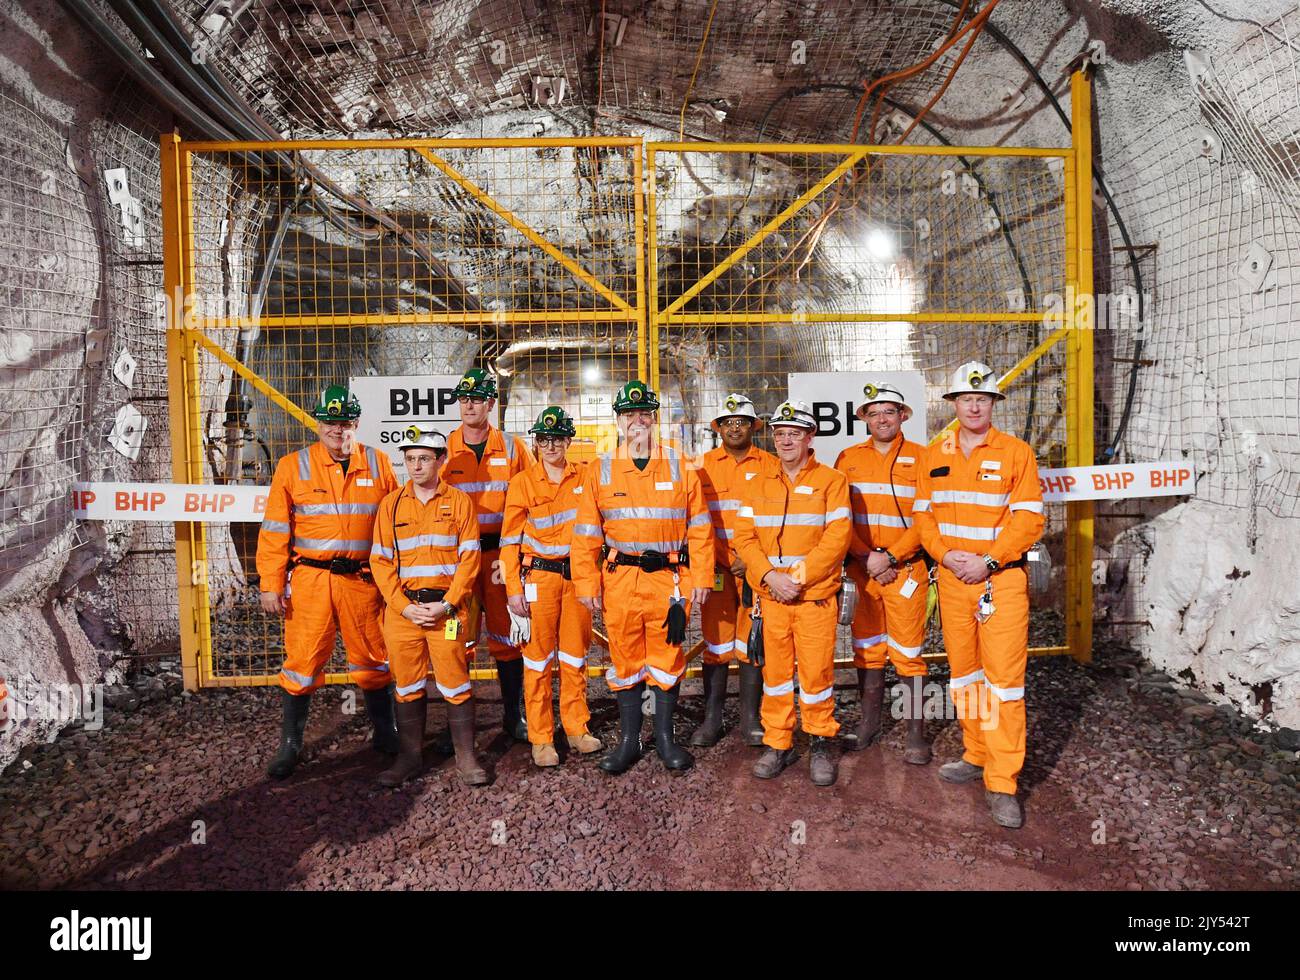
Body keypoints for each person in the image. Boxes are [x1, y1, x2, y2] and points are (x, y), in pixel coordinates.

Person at [912, 361, 1045, 829]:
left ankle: (1003, 781)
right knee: (965, 675)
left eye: (982, 399)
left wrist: (988, 560)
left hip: (999, 581)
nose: (973, 405)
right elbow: (923, 516)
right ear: (953, 404)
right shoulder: (933, 454)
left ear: (992, 405)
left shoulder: (1015, 453)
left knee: (1004, 681)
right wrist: (945, 556)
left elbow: (1029, 519)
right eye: (966, 399)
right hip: (952, 579)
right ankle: (976, 752)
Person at [256, 384, 400, 780]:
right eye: (331, 424)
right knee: (302, 662)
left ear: (356, 424)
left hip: (362, 581)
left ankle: (386, 732)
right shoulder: (292, 466)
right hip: (311, 581)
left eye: (346, 424)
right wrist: (270, 583)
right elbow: (274, 530)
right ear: (318, 424)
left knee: (374, 658)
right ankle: (290, 744)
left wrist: (395, 582)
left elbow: (394, 526)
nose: (338, 432)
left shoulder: (379, 463)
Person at [571, 380, 713, 774]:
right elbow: (585, 534)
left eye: (645, 414)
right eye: (629, 414)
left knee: (668, 656)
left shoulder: (679, 465)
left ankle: (666, 740)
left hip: (668, 580)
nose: (637, 421)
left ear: (654, 420)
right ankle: (629, 742)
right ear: (618, 421)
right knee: (625, 658)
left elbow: (700, 527)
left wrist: (701, 575)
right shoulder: (600, 468)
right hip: (620, 580)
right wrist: (586, 584)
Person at [732, 399, 851, 787]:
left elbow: (837, 539)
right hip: (772, 599)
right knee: (776, 675)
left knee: (816, 674)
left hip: (813, 597)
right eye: (780, 434)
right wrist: (769, 576)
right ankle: (778, 742)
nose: (785, 440)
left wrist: (795, 578)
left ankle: (819, 742)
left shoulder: (832, 481)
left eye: (794, 434)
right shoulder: (758, 484)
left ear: (809, 437)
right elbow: (744, 538)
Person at [369, 427, 488, 786]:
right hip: (404, 612)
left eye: (424, 458)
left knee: (456, 684)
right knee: (406, 685)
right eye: (409, 459)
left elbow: (470, 559)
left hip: (447, 612)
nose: (416, 466)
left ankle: (466, 758)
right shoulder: (391, 505)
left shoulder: (460, 503)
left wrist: (448, 604)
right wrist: (403, 606)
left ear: (441, 461)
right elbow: (380, 561)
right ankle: (410, 757)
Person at [834, 383, 932, 764]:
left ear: (903, 416)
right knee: (868, 650)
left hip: (906, 571)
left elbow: (927, 519)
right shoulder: (848, 458)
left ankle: (915, 735)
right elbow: (840, 517)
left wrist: (890, 557)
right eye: (873, 413)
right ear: (863, 419)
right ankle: (869, 724)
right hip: (863, 571)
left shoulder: (923, 458)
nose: (881, 419)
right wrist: (866, 556)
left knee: (908, 654)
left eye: (889, 412)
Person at [500, 407, 601, 768]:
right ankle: (542, 738)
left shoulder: (588, 477)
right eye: (544, 439)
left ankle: (577, 728)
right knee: (537, 661)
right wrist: (513, 590)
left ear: (568, 440)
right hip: (538, 581)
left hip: (575, 579)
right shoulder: (522, 483)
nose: (551, 445)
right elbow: (509, 542)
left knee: (574, 658)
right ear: (536, 442)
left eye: (557, 438)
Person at [442, 368, 534, 742]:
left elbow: (532, 497)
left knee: (507, 637)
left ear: (490, 404)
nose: (469, 405)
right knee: (457, 638)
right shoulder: (443, 449)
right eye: (464, 399)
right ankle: (456, 727)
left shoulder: (512, 449)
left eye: (477, 399)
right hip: (459, 558)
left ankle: (514, 717)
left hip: (499, 555)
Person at [691, 393, 777, 747]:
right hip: (717, 568)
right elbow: (696, 519)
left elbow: (776, 521)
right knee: (715, 644)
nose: (734, 427)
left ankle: (750, 719)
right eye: (727, 422)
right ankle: (712, 720)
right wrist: (721, 558)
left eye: (741, 421)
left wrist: (752, 560)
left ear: (753, 426)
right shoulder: (701, 466)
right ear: (718, 428)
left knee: (752, 643)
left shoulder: (772, 465)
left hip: (755, 571)